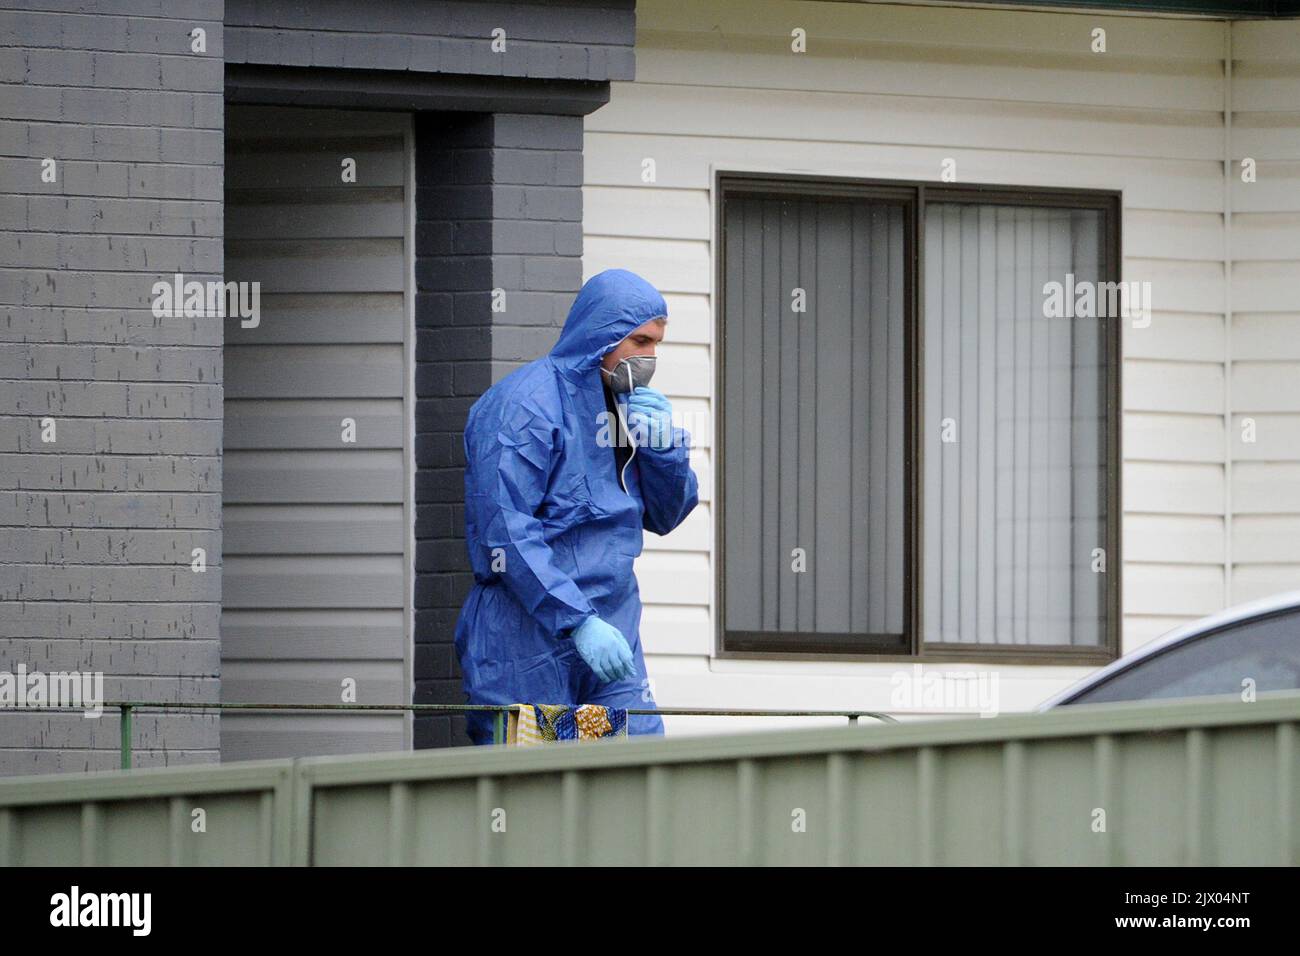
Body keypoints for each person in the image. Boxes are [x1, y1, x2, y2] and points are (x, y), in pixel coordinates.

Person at [454, 269, 699, 744]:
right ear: (603, 335)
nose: (649, 357)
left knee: (630, 777)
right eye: (640, 341)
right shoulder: (524, 405)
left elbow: (665, 517)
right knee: (538, 792)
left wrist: (665, 448)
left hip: (611, 631)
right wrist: (577, 621)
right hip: (529, 641)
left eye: (656, 344)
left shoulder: (625, 408)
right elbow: (505, 530)